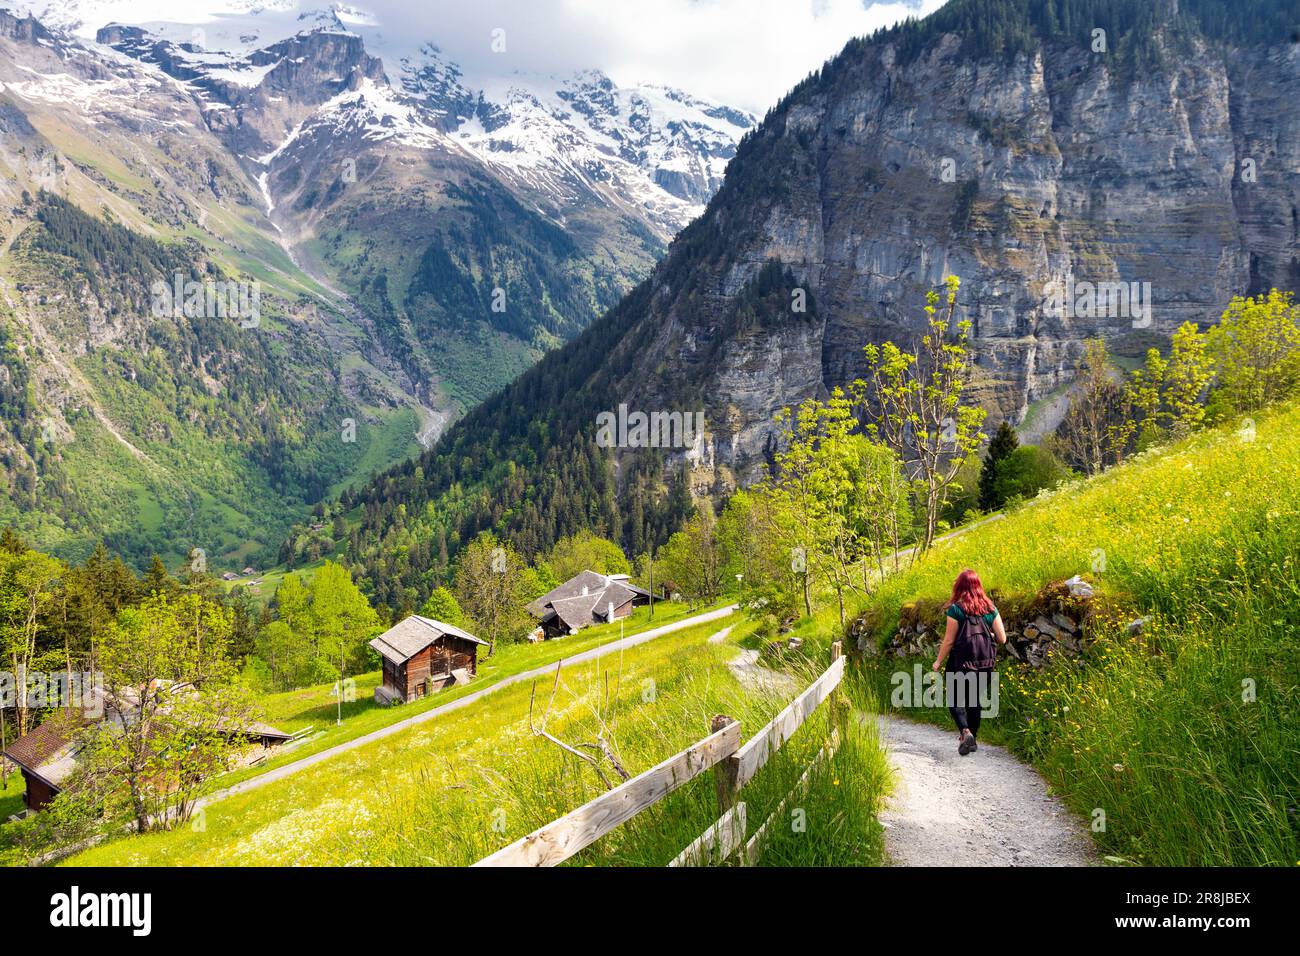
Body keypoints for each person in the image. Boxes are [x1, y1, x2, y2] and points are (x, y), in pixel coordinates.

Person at [932, 569, 1006, 755]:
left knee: (955, 699)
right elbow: (1002, 639)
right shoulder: (991, 608)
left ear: (959, 586)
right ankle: (973, 739)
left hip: (962, 662)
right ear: (978, 586)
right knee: (974, 700)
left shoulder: (956, 609)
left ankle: (965, 732)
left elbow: (949, 640)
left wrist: (938, 661)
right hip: (985, 663)